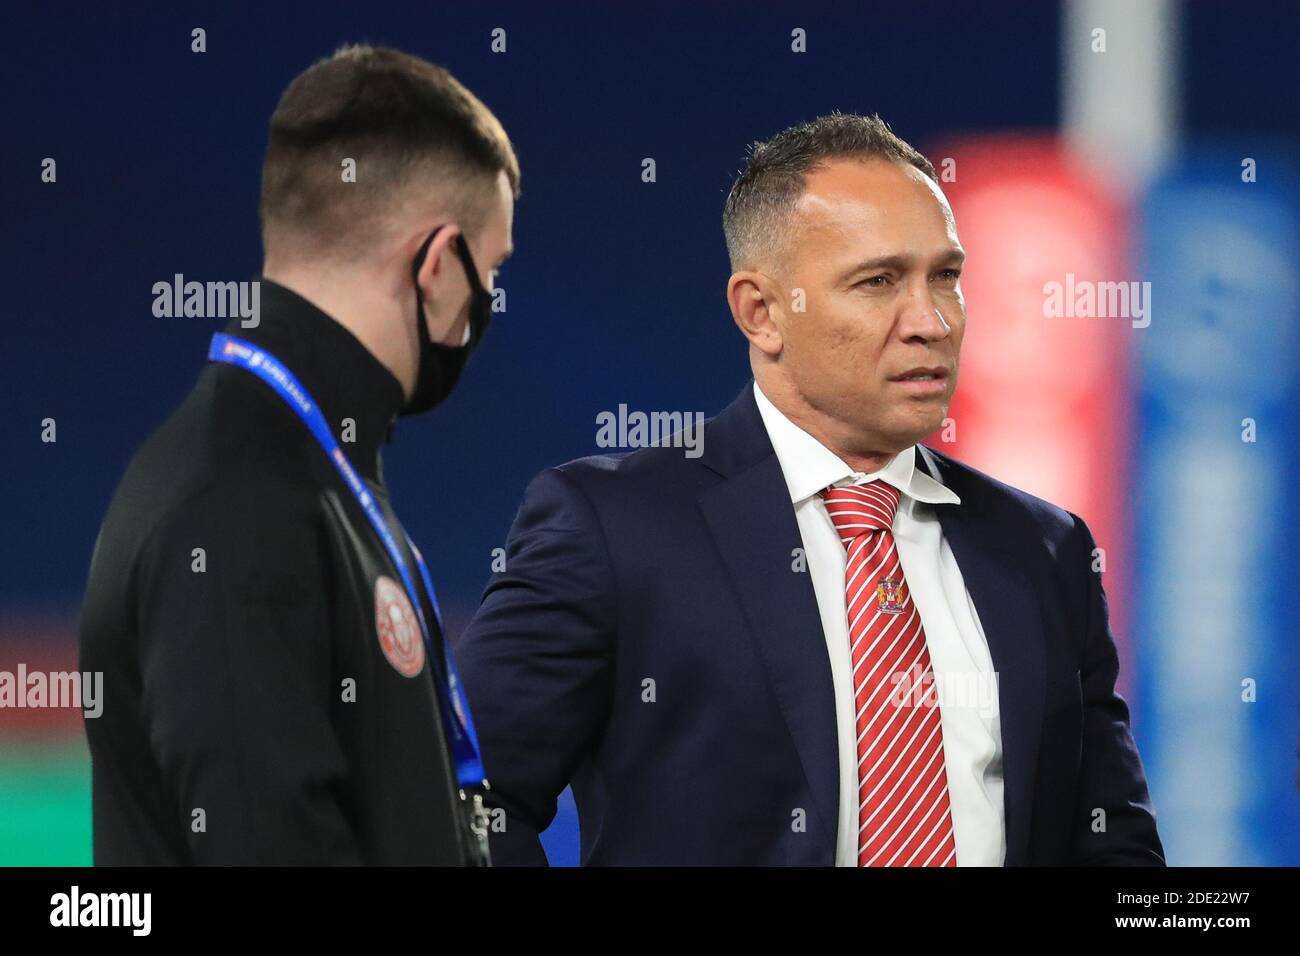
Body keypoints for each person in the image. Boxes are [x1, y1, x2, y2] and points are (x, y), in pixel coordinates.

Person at [455, 113, 1164, 866]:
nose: (931, 321)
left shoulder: (1045, 552)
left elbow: (1112, 844)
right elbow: (465, 798)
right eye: (878, 282)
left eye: (946, 277)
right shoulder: (615, 528)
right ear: (761, 313)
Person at [79, 44, 518, 865]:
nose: (484, 309)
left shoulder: (313, 475)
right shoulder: (236, 503)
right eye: (489, 273)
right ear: (436, 262)